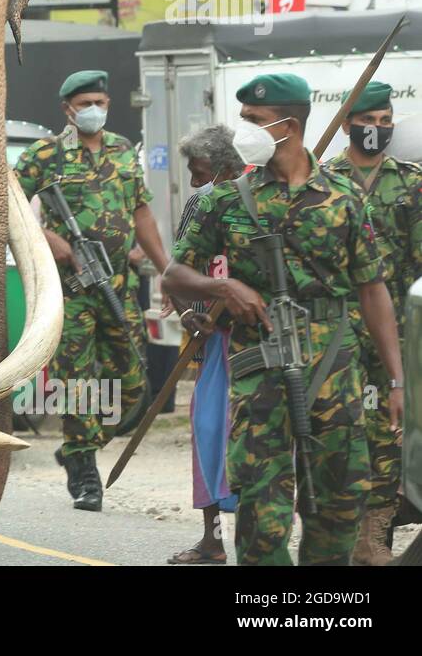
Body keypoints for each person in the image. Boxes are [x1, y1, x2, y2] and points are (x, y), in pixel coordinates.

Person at [164, 73, 405, 566]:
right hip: (261, 375)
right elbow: (174, 274)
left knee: (339, 505)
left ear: (287, 124)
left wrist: (397, 380)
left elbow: (372, 289)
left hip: (335, 372)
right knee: (261, 515)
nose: (243, 129)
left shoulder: (343, 197)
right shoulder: (226, 198)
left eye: (253, 120)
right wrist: (224, 287)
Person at [14, 68, 171, 512]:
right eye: (85, 104)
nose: (94, 111)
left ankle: (82, 444)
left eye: (101, 102)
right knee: (77, 382)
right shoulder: (45, 155)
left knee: (135, 379)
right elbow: (8, 205)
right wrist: (52, 241)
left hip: (118, 283)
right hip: (71, 289)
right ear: (68, 110)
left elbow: (141, 212)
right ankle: (84, 472)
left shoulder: (122, 150)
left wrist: (167, 269)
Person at [322, 80, 421, 565]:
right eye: (368, 122)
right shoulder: (323, 180)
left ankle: (373, 539)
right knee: (335, 431)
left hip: (392, 332)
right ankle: (332, 533)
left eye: (386, 122)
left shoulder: (412, 181)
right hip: (334, 330)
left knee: (386, 433)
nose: (378, 130)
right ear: (347, 125)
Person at [166, 124, 243, 565]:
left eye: (199, 172)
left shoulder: (266, 199)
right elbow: (176, 272)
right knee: (209, 433)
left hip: (260, 342)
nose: (194, 182)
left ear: (225, 166)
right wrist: (186, 312)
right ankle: (212, 541)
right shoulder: (201, 202)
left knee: (257, 441)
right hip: (214, 342)